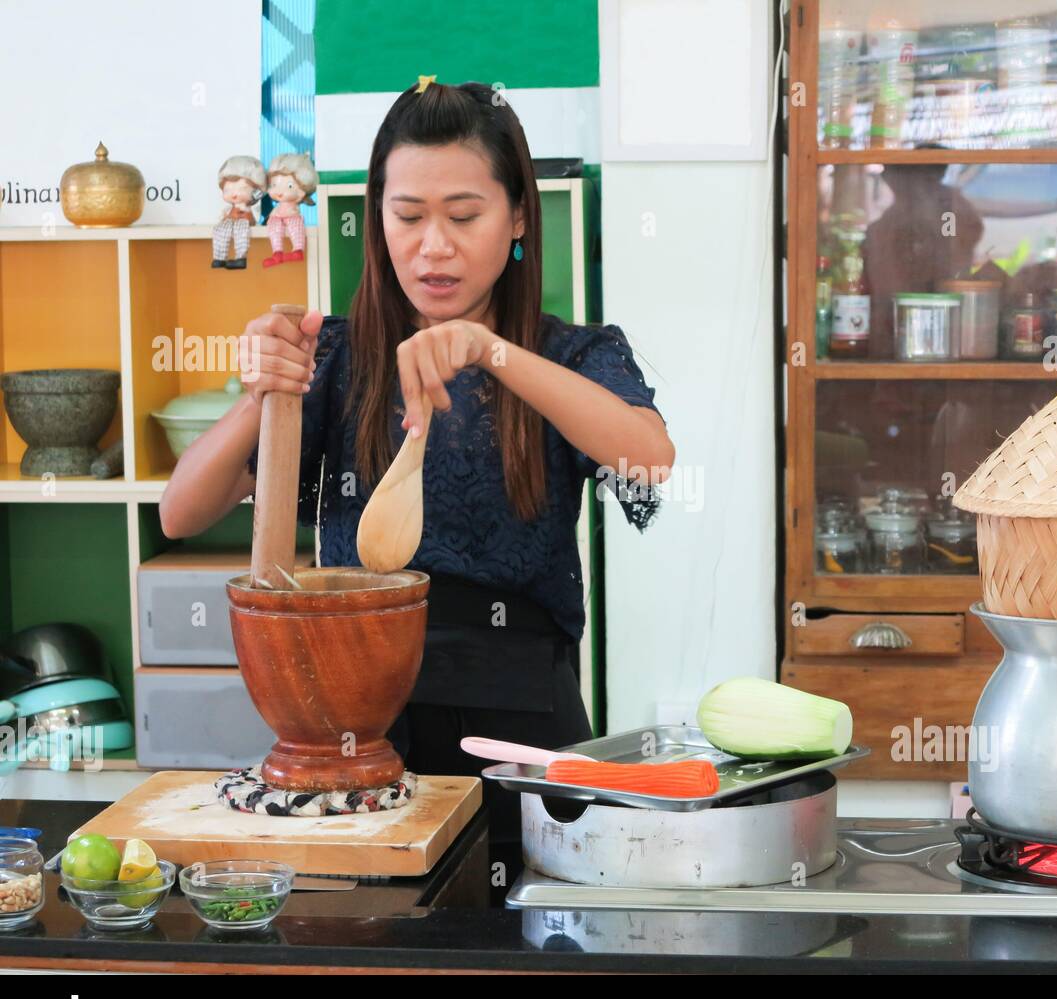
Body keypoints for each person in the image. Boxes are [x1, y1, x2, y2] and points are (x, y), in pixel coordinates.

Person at [161, 80, 675, 891]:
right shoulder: (334, 355)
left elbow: (650, 458)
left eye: (464, 216)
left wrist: (489, 350)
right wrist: (267, 387)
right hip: (356, 729)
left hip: (522, 730)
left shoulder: (575, 355)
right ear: (377, 221)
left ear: (515, 221)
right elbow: (182, 510)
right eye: (407, 216)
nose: (433, 245)